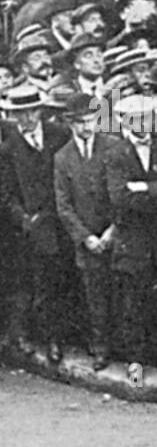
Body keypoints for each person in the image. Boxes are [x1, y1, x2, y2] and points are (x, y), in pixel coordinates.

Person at [104, 93, 157, 380]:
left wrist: (143, 188)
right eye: (134, 119)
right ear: (125, 122)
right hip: (133, 240)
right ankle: (135, 361)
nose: (141, 124)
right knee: (132, 304)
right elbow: (120, 198)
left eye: (145, 118)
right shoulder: (116, 154)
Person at [0, 82, 72, 361]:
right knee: (37, 283)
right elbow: (5, 195)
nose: (27, 119)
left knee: (62, 280)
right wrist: (24, 219)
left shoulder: (60, 135)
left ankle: (61, 337)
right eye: (20, 114)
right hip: (31, 225)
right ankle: (42, 338)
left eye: (31, 112)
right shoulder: (8, 150)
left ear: (41, 111)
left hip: (61, 217)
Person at [53, 92, 116, 370]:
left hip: (116, 233)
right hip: (87, 239)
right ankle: (100, 348)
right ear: (69, 123)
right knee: (95, 296)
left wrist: (112, 230)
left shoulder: (113, 146)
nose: (87, 127)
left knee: (122, 292)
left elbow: (122, 193)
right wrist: (86, 237)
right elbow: (63, 206)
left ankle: (126, 347)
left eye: (91, 120)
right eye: (80, 122)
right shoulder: (62, 158)